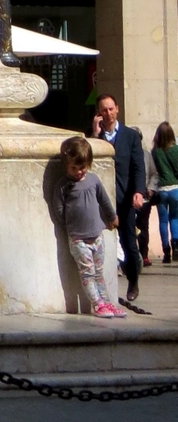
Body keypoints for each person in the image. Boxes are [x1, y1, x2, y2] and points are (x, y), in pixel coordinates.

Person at [51, 135, 125, 317]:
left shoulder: (93, 180)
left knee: (98, 272)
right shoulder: (63, 186)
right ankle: (98, 304)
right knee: (87, 272)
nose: (78, 172)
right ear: (66, 165)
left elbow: (104, 200)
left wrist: (112, 217)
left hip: (96, 235)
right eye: (73, 168)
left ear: (89, 164)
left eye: (82, 167)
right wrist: (69, 225)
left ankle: (107, 302)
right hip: (78, 238)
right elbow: (58, 209)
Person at [92, 93, 148, 302]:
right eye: (104, 110)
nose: (108, 114)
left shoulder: (130, 136)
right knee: (100, 243)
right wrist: (94, 135)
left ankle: (133, 280)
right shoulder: (95, 138)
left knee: (129, 244)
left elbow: (138, 167)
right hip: (101, 200)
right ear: (99, 113)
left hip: (125, 199)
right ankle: (102, 286)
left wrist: (139, 191)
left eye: (111, 109)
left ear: (117, 109)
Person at [151, 122, 178, 264]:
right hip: (175, 188)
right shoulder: (175, 150)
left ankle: (166, 251)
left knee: (163, 220)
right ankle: (176, 245)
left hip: (161, 189)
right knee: (175, 217)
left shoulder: (155, 151)